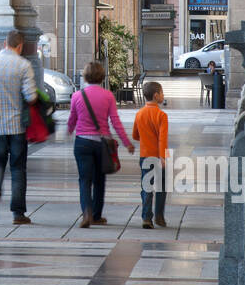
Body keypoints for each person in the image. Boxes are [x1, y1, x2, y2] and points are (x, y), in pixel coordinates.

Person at [0, 30, 38, 225]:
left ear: (5, 43)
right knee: (18, 169)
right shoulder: (23, 65)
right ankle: (18, 213)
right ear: (19, 45)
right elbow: (31, 97)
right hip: (17, 127)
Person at [66, 60, 135, 228]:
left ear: (86, 76)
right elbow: (115, 122)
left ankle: (86, 212)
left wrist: (68, 131)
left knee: (84, 179)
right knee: (99, 180)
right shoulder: (108, 96)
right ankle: (96, 215)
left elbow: (72, 120)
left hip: (82, 142)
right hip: (101, 144)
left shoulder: (77, 96)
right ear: (102, 77)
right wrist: (127, 143)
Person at [132, 79, 169, 229]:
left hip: (144, 155)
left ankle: (146, 217)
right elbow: (162, 138)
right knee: (161, 186)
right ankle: (159, 216)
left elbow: (135, 135)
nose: (163, 96)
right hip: (158, 156)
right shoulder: (162, 115)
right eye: (162, 93)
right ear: (156, 95)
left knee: (146, 186)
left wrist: (145, 138)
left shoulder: (139, 114)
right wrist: (163, 157)